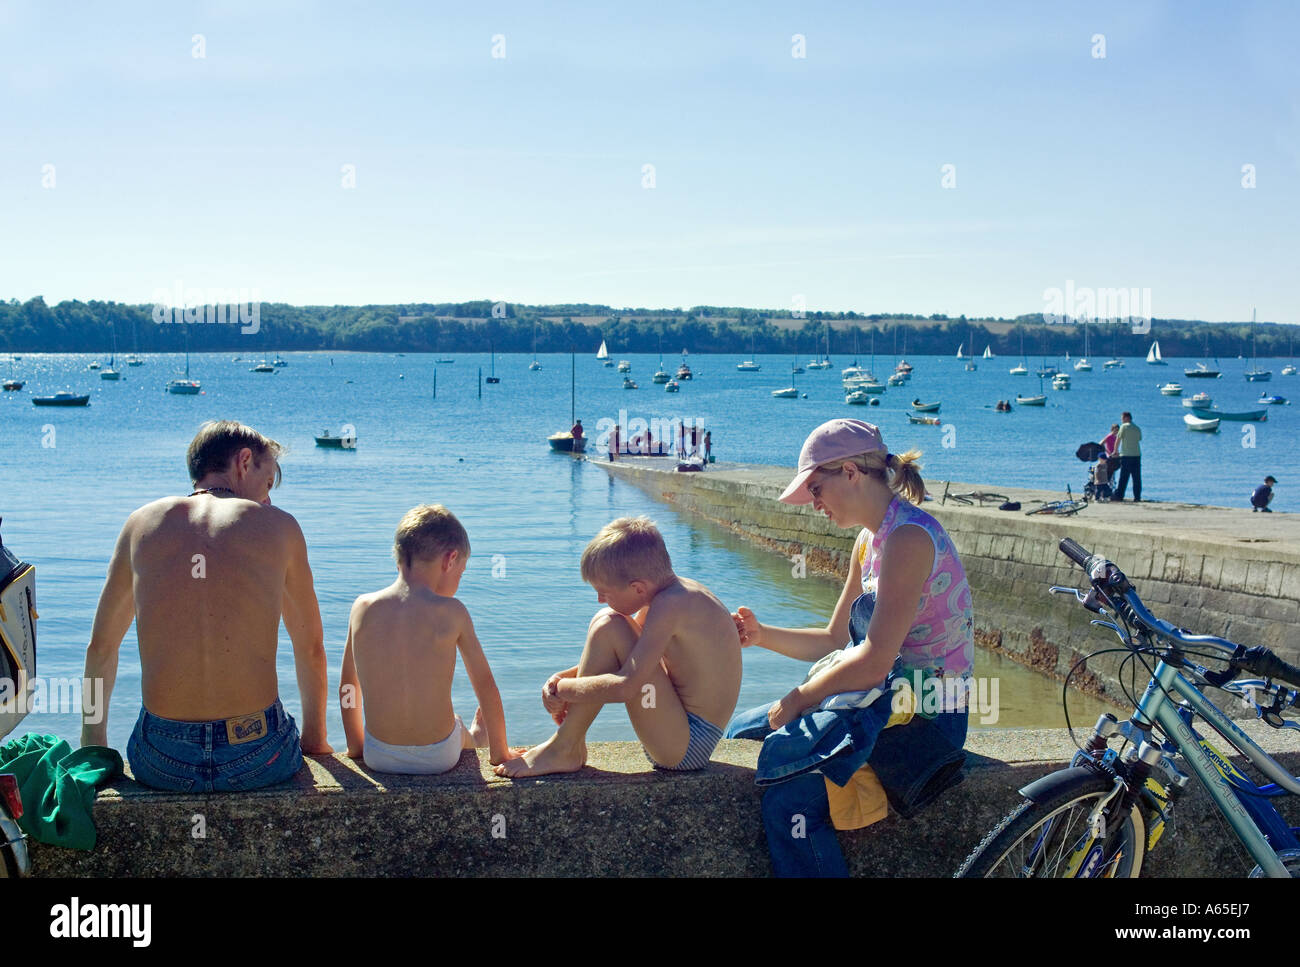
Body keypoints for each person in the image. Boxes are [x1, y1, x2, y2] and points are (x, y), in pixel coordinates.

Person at [726, 418, 973, 877]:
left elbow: (875, 660)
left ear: (851, 472)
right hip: (880, 701)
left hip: (927, 717)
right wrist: (762, 636)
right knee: (739, 732)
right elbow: (837, 640)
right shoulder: (869, 542)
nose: (814, 504)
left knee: (788, 802)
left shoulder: (909, 540)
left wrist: (800, 697)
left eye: (816, 489)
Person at [81, 420, 332, 791]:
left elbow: (100, 649)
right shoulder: (279, 527)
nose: (267, 500)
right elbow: (309, 648)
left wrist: (93, 746)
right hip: (257, 753)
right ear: (244, 462)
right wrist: (315, 739)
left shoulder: (140, 524)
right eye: (267, 484)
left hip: (163, 759)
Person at [496, 517, 741, 778]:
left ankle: (564, 746)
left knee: (609, 623)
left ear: (637, 587)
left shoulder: (671, 605)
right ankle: (569, 744)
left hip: (686, 745)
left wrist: (565, 690)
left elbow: (627, 686)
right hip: (678, 731)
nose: (600, 598)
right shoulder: (671, 594)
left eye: (604, 592)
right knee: (606, 622)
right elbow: (624, 657)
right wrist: (561, 678)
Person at [339, 504, 522, 774]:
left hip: (378, 754)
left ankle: (469, 736)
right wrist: (500, 753)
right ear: (450, 560)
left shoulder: (362, 608)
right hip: (439, 756)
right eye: (461, 572)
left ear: (398, 556)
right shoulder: (453, 612)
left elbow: (348, 687)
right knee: (458, 725)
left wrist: (357, 748)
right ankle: (476, 738)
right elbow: (485, 685)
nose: (458, 579)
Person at [1113, 412, 1142, 502]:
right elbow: (1139, 439)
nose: (1121, 420)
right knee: (1136, 477)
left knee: (1124, 477)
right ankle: (1137, 497)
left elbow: (1118, 439)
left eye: (1122, 418)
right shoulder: (1137, 428)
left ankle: (1119, 496)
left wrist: (1115, 451)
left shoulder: (1124, 426)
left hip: (1126, 455)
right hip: (1136, 455)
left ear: (1126, 418)